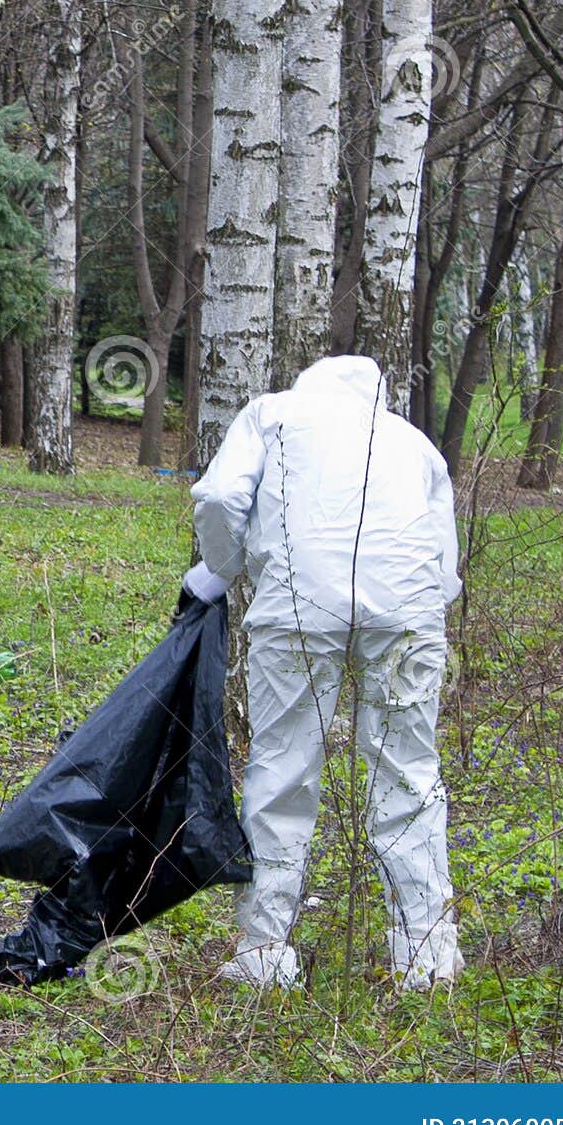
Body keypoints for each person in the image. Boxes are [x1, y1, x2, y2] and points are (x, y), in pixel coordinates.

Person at [183, 354, 464, 991]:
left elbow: (223, 496)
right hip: (408, 612)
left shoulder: (273, 415)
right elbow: (445, 561)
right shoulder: (412, 443)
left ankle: (263, 950)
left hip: (297, 608)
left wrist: (221, 571)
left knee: (283, 766)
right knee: (408, 771)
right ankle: (423, 952)